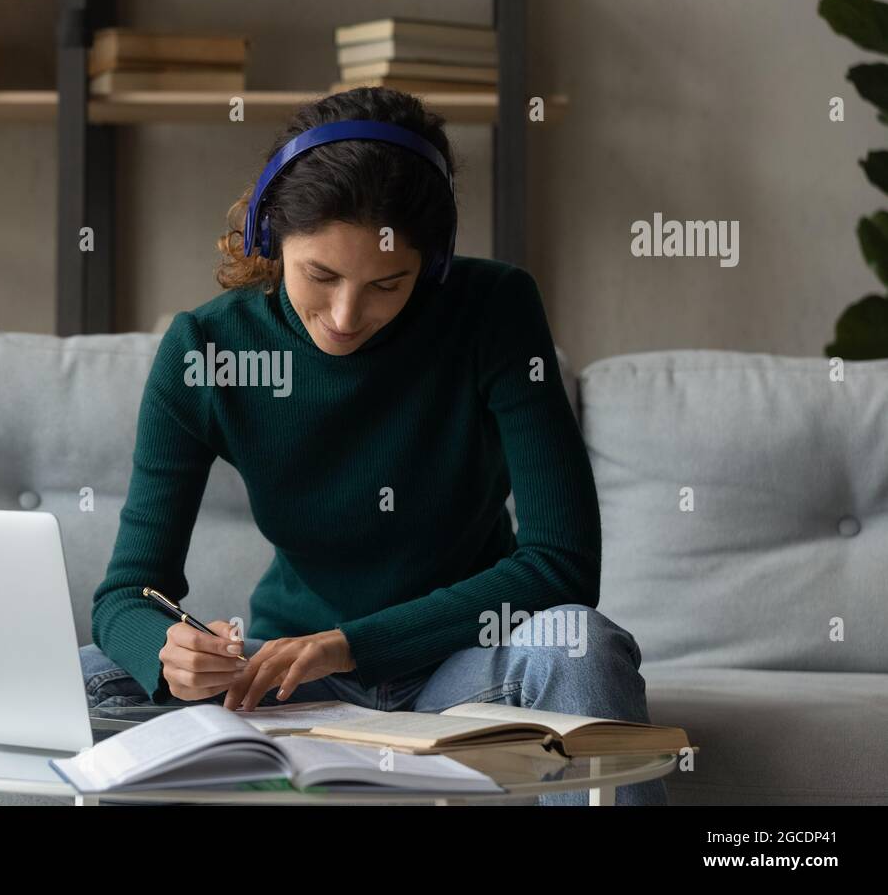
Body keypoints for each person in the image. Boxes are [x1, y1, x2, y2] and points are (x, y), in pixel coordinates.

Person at [82, 86, 666, 805]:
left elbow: (563, 565)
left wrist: (353, 642)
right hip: (290, 675)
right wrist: (165, 652)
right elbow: (126, 594)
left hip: (463, 662)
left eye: (388, 283)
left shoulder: (493, 311)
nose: (346, 316)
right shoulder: (205, 348)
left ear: (433, 261)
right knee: (71, 677)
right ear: (270, 238)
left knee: (579, 641)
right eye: (319, 277)